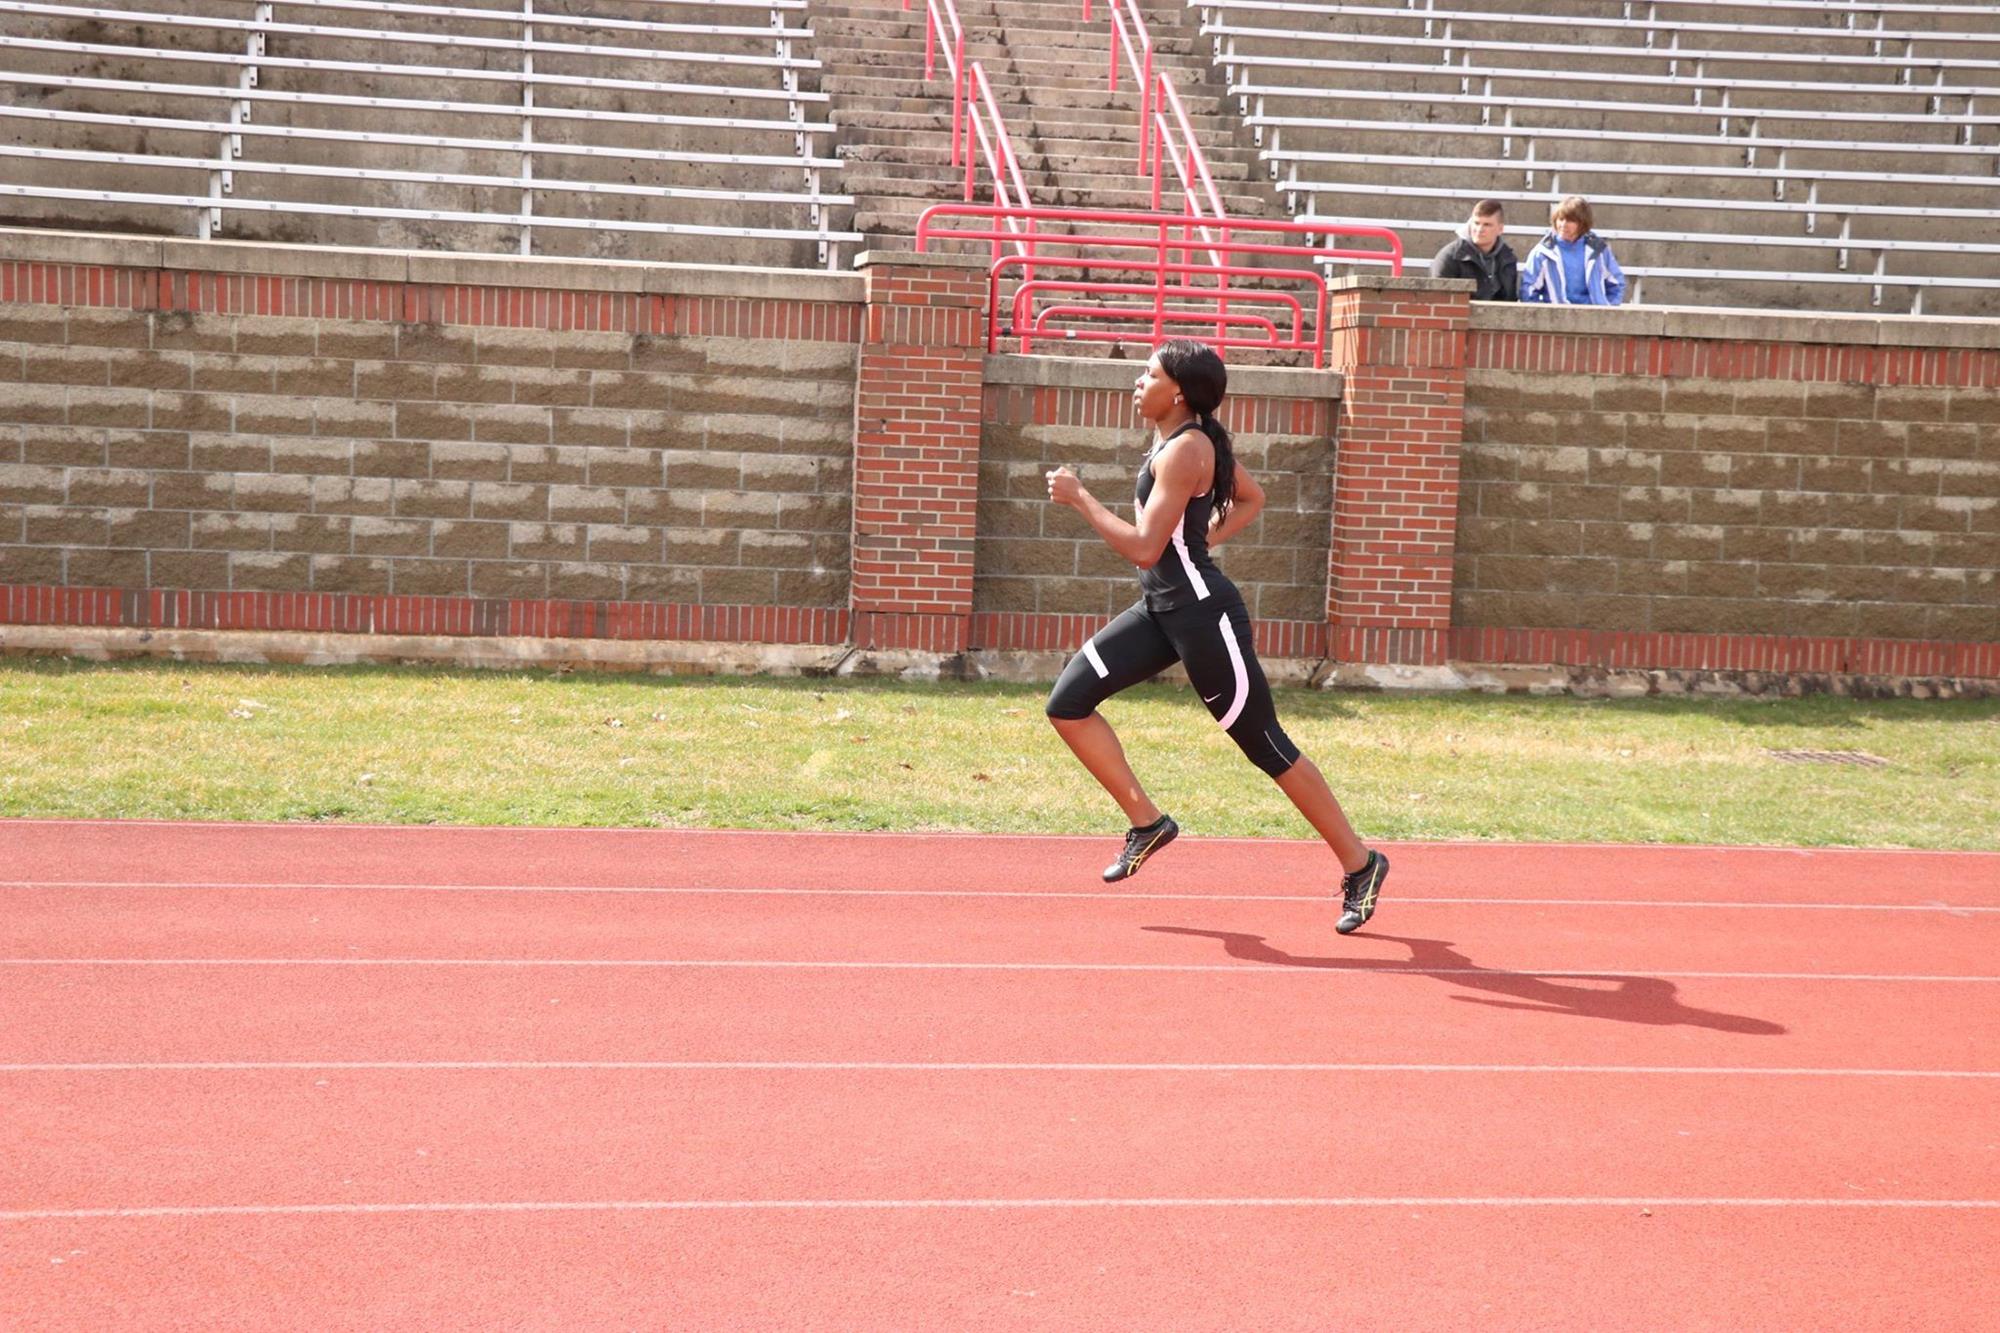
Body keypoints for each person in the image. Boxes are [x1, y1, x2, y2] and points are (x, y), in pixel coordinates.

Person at [1042, 338, 1389, 935]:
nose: (1137, 381)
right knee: (1068, 704)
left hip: (1203, 617)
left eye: (1147, 374)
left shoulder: (1187, 448)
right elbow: (1250, 497)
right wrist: (1196, 547)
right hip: (1161, 610)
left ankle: (1362, 864)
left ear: (1177, 391)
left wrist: (1080, 499)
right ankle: (1147, 823)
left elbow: (1145, 546)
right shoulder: (1184, 441)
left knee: (1267, 746)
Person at [1520, 195, 1625, 306]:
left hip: (1593, 319)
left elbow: (1617, 284)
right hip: (1557, 319)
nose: (1563, 225)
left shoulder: (1599, 250)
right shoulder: (1542, 253)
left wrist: (1606, 309)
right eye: (1560, 219)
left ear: (1582, 223)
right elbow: (1528, 291)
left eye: (1570, 220)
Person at [1428, 198, 1518, 301]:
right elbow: (1438, 301)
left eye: (1487, 225)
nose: (1479, 230)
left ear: (1500, 229)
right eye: (1476, 223)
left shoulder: (1508, 259)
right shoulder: (1450, 257)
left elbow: (1511, 300)